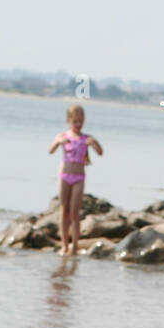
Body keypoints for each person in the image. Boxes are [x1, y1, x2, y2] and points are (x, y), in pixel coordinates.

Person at [48, 104, 103, 255]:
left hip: (79, 177)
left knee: (74, 211)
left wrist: (94, 143)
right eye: (75, 122)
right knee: (63, 210)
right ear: (68, 121)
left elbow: (100, 153)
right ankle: (64, 245)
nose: (78, 125)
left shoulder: (86, 138)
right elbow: (50, 151)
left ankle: (75, 245)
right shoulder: (63, 137)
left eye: (80, 121)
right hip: (64, 176)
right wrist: (57, 142)